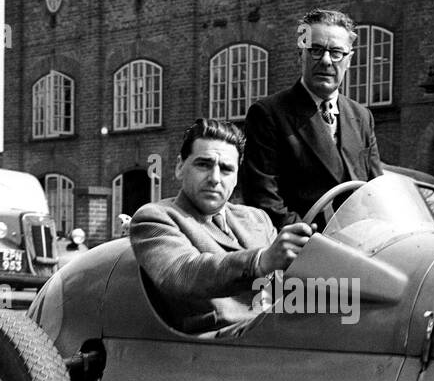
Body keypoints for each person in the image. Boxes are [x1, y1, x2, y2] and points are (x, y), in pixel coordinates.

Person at [130, 118, 313, 334]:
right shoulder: (154, 217)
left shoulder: (257, 219)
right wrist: (259, 262)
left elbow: (291, 284)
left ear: (236, 177)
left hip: (278, 332)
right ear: (180, 167)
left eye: (226, 169)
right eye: (203, 164)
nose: (215, 178)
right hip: (219, 344)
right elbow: (182, 272)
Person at [240, 8, 382, 229]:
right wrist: (314, 241)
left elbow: (376, 189)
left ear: (349, 60)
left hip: (362, 244)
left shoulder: (362, 116)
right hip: (306, 248)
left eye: (336, 52)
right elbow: (264, 199)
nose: (326, 60)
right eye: (316, 50)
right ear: (300, 55)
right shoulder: (269, 114)